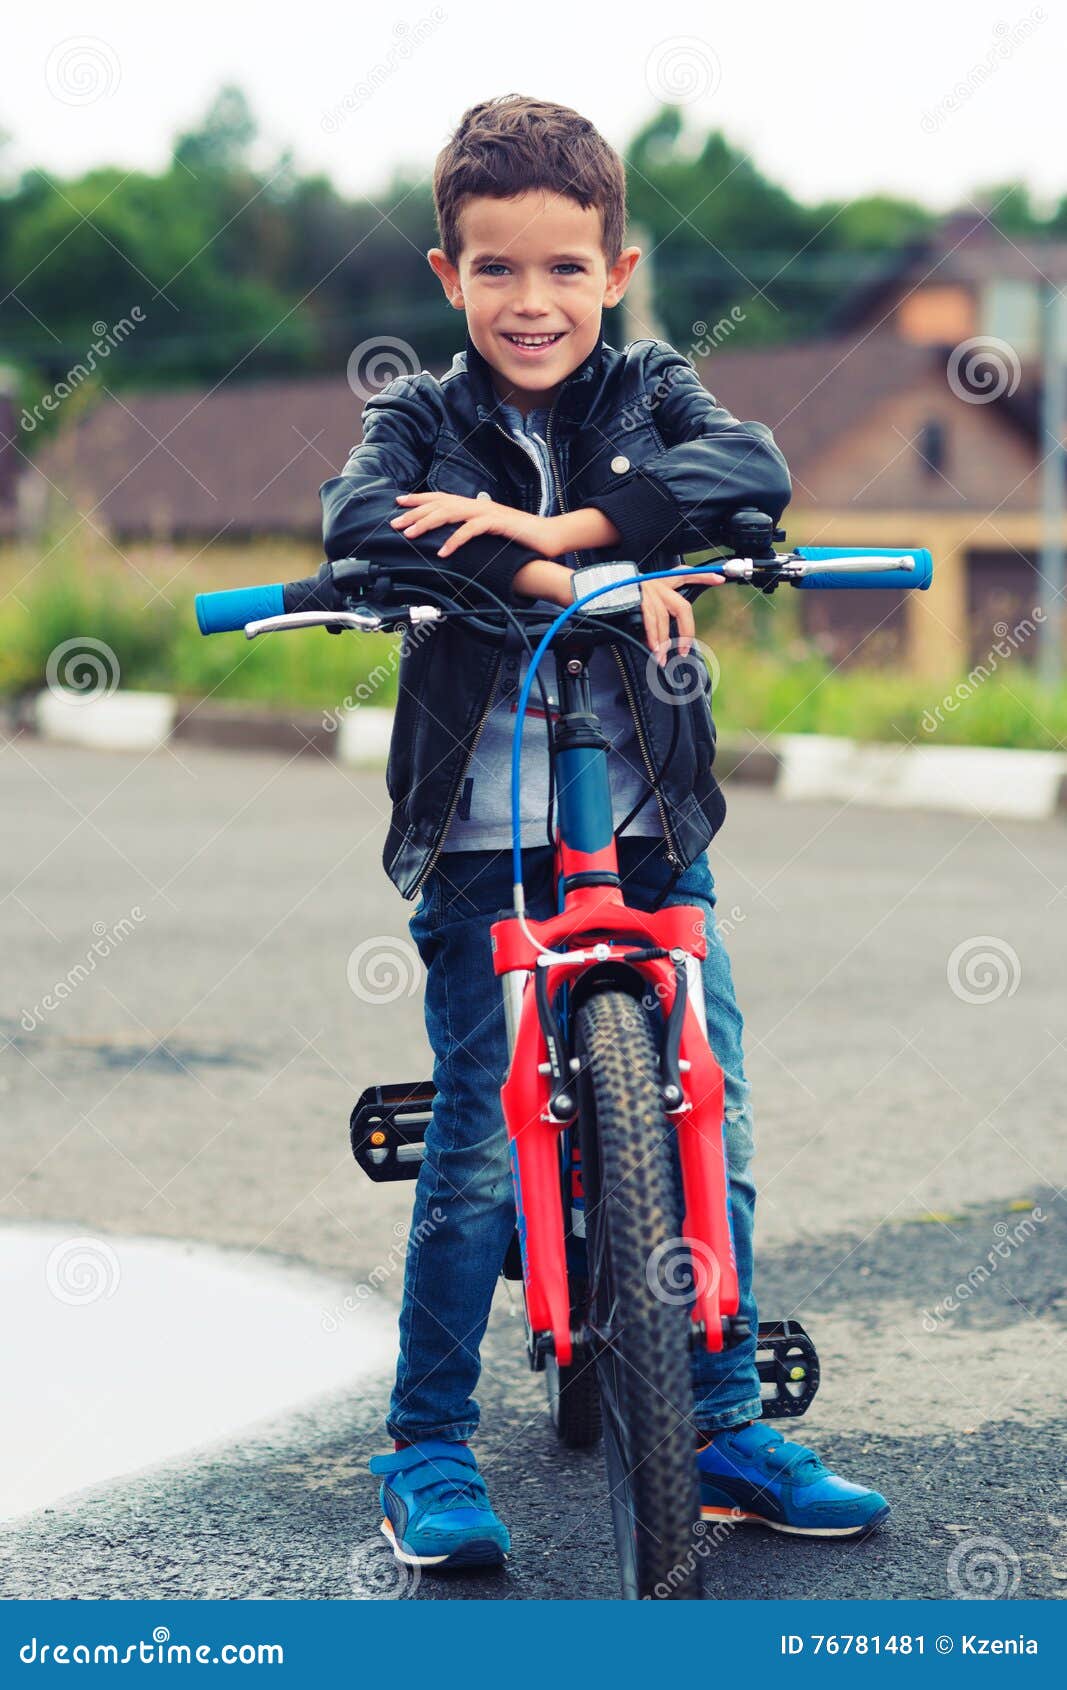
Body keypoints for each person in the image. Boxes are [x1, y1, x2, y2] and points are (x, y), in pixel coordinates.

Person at [319, 93, 889, 1572]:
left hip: (646, 831)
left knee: (716, 1108)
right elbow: (362, 521)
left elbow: (748, 471)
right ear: (448, 277)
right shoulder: (421, 416)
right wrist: (563, 578)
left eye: (567, 268)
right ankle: (427, 1443)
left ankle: (721, 1420)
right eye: (497, 269)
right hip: (481, 840)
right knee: (472, 1145)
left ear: (617, 271)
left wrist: (580, 531)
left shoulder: (651, 388)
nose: (534, 301)